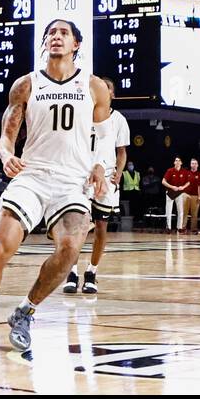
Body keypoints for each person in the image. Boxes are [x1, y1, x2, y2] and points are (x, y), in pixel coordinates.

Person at [0, 19, 111, 352]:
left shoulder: (94, 86)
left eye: (63, 33)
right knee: (0, 247)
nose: (56, 37)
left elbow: (104, 134)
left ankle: (26, 311)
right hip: (32, 175)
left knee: (70, 249)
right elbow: (7, 133)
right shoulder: (26, 85)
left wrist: (100, 164)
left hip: (73, 181)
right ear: (45, 43)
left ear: (76, 44)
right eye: (51, 33)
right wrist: (5, 153)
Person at [65, 77, 128, 295]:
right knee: (76, 225)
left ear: (112, 94)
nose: (102, 90)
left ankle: (92, 272)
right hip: (81, 175)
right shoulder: (82, 113)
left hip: (106, 177)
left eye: (107, 87)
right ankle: (71, 271)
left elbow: (121, 152)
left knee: (101, 226)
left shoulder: (118, 119)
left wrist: (118, 174)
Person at [161, 157, 190, 232]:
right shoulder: (170, 171)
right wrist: (172, 187)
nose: (177, 162)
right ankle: (168, 227)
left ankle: (179, 227)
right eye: (176, 161)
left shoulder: (184, 171)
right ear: (174, 162)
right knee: (168, 210)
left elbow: (188, 182)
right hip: (170, 192)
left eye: (179, 161)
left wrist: (183, 187)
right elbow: (163, 181)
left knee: (180, 210)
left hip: (179, 193)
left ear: (181, 163)